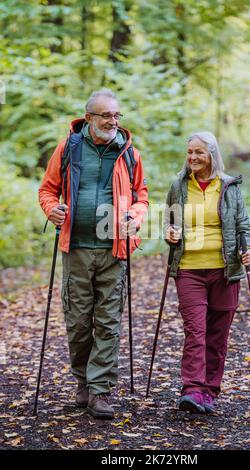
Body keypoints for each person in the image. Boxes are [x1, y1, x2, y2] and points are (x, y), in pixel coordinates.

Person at [39, 89, 148, 419]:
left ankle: (100, 390)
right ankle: (83, 382)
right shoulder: (69, 148)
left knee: (108, 321)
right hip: (76, 249)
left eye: (116, 115)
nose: (112, 121)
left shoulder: (129, 153)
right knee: (78, 322)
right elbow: (47, 189)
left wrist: (136, 215)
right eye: (105, 115)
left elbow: (141, 194)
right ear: (89, 118)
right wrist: (51, 210)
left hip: (114, 250)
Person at [164, 131, 250, 414]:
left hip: (225, 269)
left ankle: (209, 391)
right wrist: (169, 234)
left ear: (212, 155)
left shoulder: (229, 187)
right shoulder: (178, 186)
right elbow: (169, 223)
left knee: (218, 334)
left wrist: (247, 247)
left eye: (199, 152)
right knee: (195, 331)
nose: (192, 157)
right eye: (190, 152)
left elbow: (242, 226)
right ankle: (192, 389)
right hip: (189, 267)